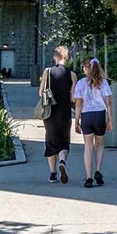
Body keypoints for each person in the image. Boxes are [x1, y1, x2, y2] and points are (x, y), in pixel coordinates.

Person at [73, 56, 113, 189]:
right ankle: (98, 171)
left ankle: (88, 177)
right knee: (100, 145)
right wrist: (110, 120)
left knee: (88, 146)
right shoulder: (103, 83)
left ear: (86, 68)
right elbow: (108, 102)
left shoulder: (80, 83)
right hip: (100, 115)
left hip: (86, 116)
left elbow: (78, 103)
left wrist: (76, 121)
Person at [40, 46, 77, 184]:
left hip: (50, 111)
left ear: (55, 57)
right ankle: (62, 161)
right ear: (67, 57)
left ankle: (52, 174)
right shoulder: (72, 75)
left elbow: (41, 93)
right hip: (65, 112)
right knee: (64, 141)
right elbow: (73, 98)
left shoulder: (47, 71)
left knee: (51, 140)